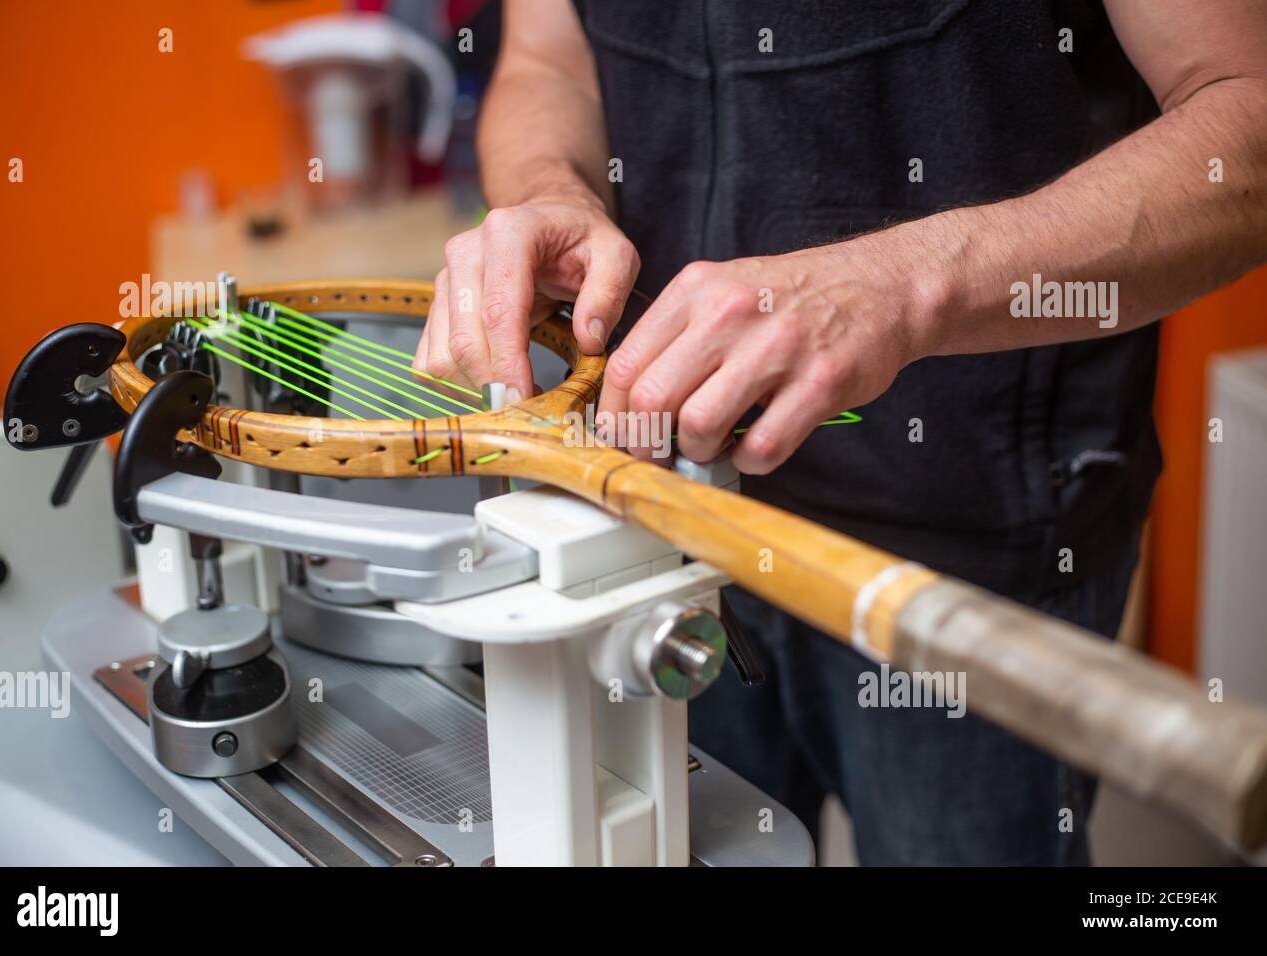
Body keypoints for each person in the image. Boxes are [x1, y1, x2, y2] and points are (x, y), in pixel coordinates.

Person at [416, 0, 1267, 864]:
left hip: (970, 547)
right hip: (661, 516)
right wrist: (549, 189)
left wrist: (906, 287)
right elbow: (547, 63)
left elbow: (1249, 122)